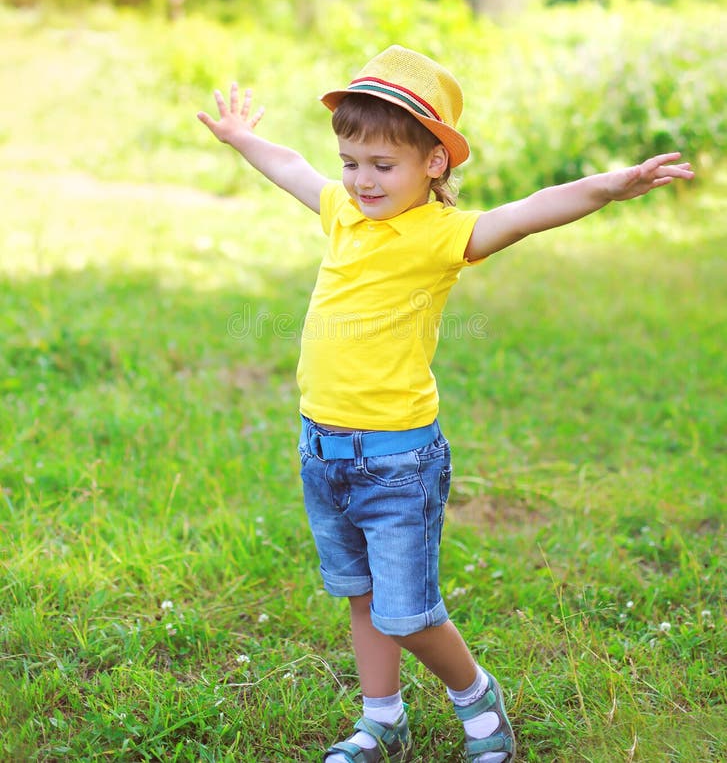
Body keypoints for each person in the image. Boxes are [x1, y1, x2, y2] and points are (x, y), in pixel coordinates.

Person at [197, 45, 694, 763]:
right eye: (352, 162)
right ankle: (382, 721)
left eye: (382, 164)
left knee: (408, 613)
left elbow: (528, 212)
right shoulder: (341, 211)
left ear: (433, 164)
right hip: (322, 448)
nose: (361, 180)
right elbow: (290, 168)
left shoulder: (441, 235)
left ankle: (477, 703)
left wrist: (610, 186)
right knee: (361, 597)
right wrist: (243, 139)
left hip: (397, 458)